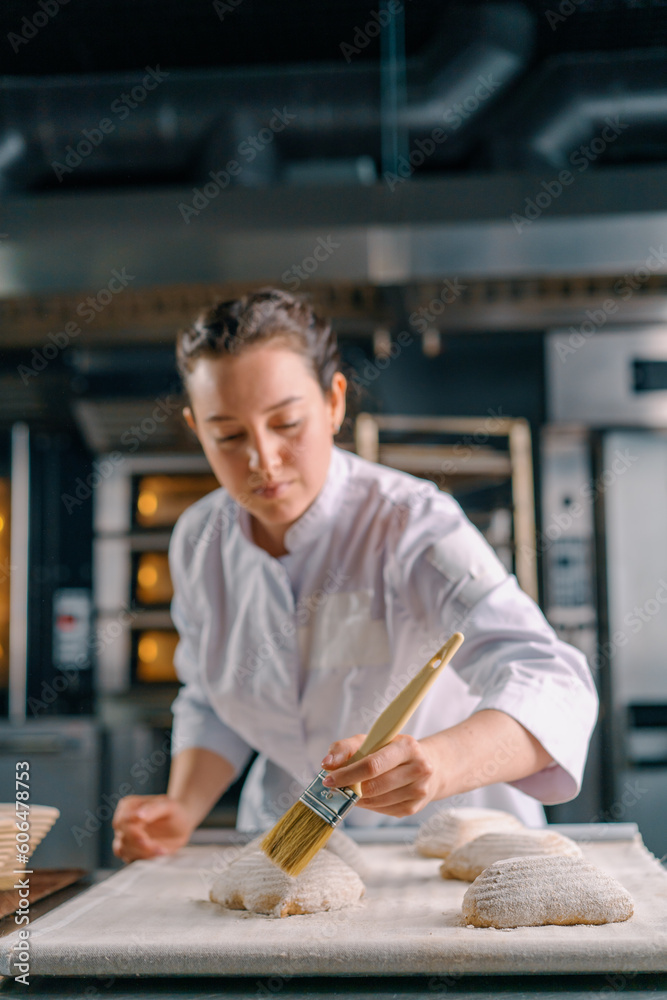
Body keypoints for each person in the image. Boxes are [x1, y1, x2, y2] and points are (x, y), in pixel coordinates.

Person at [112, 287, 598, 863]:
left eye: (287, 423)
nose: (262, 461)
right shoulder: (198, 542)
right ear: (197, 429)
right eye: (229, 435)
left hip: (447, 849)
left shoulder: (413, 524)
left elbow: (553, 681)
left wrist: (437, 765)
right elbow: (213, 699)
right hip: (290, 848)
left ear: (334, 402)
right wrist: (182, 808)